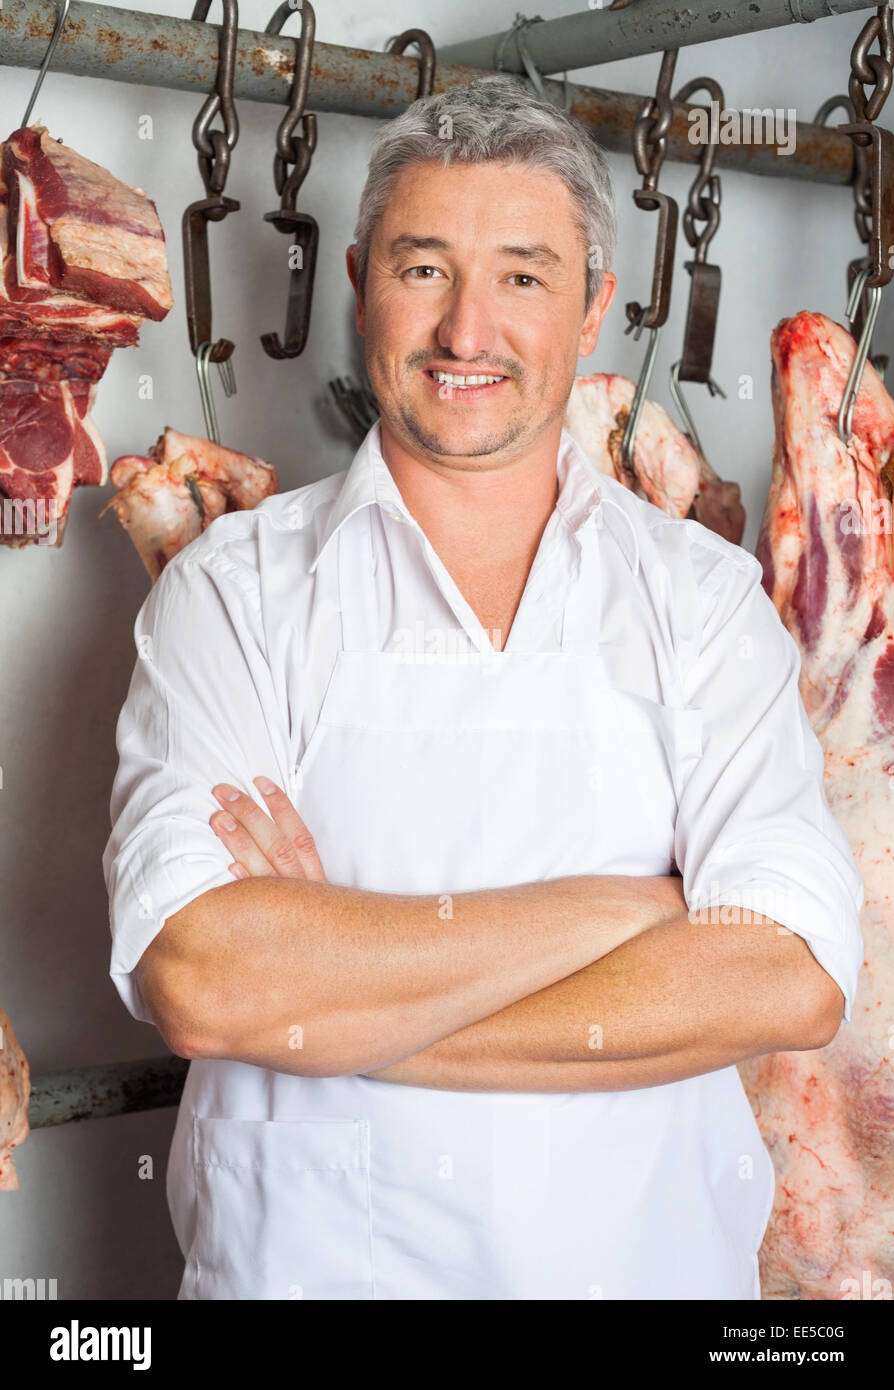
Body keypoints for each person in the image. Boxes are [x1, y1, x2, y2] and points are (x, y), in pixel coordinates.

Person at [103, 75, 864, 1301]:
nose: (467, 332)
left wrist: (346, 1009)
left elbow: (784, 974)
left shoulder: (702, 602)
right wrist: (629, 908)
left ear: (595, 309)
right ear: (358, 280)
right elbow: (207, 977)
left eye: (521, 275)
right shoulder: (230, 595)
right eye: (423, 270)